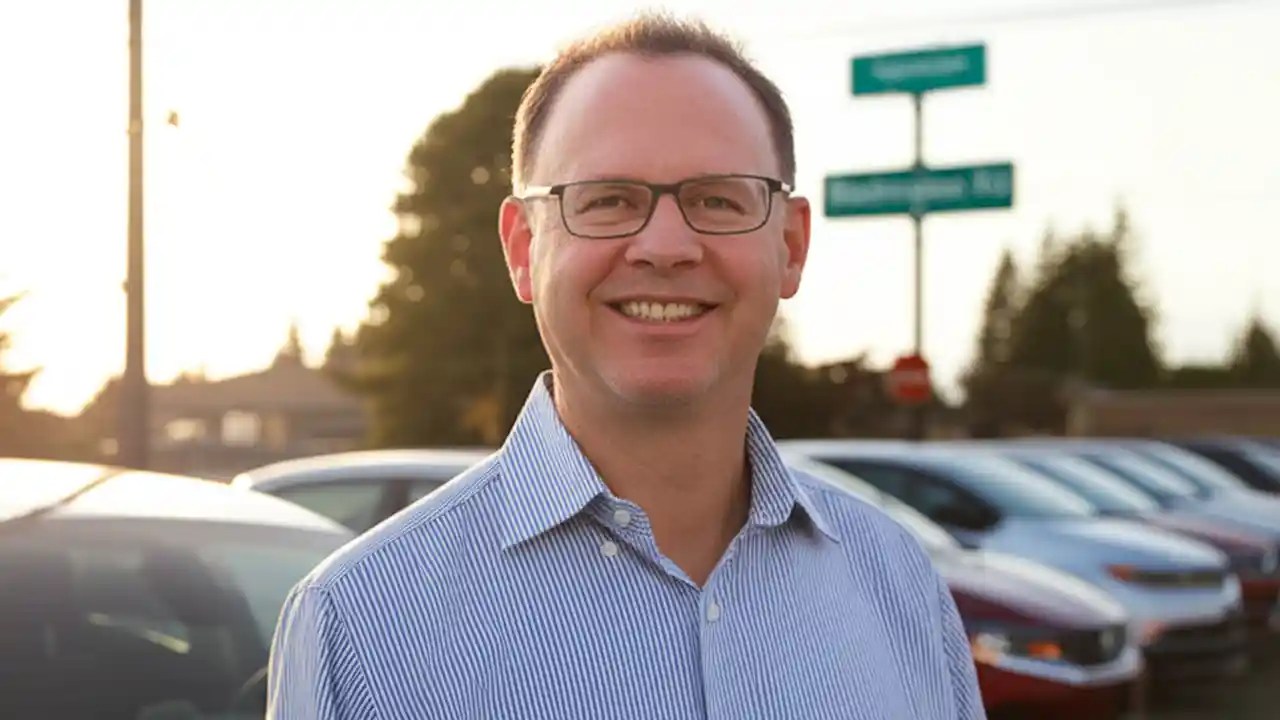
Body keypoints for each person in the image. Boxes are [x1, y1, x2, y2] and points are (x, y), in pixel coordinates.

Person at [267, 13, 985, 720]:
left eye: (716, 199)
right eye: (607, 200)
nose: (665, 245)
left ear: (790, 246)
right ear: (522, 249)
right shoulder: (359, 628)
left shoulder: (901, 587)